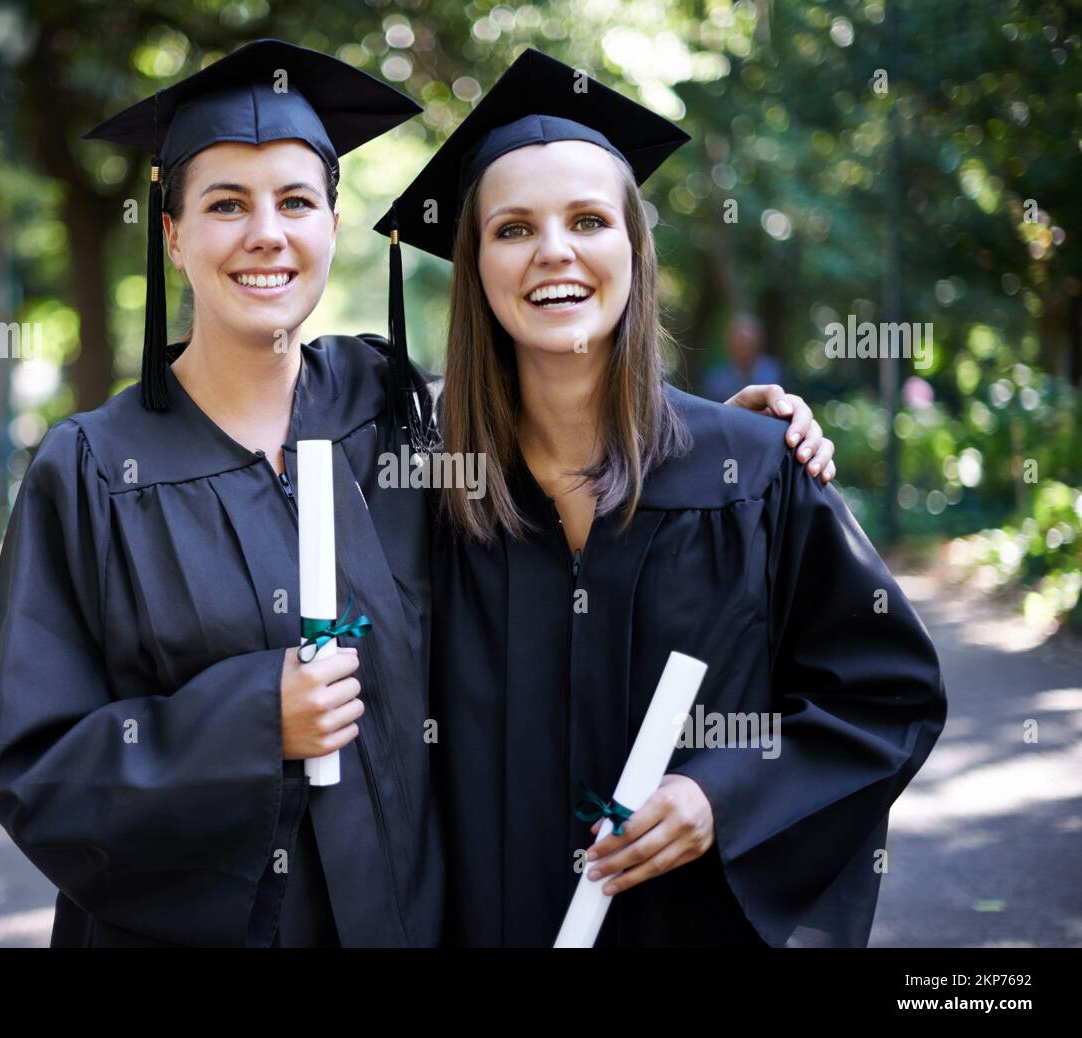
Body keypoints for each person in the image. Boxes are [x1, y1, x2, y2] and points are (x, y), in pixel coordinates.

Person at [0, 38, 836, 948]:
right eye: (226, 204)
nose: (266, 233)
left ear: (333, 228)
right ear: (173, 232)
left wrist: (714, 438)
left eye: (296, 202)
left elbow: (550, 455)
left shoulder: (390, 416)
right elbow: (36, 771)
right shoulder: (91, 474)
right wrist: (243, 723)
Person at [379, 48, 946, 947]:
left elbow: (883, 696)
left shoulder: (755, 474)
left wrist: (722, 793)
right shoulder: (424, 495)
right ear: (475, 266)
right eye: (513, 228)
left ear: (635, 253)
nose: (554, 250)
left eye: (589, 220)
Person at [701, 312, 785, 404]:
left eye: (749, 341)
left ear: (759, 341)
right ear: (729, 342)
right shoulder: (716, 379)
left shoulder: (774, 371)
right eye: (740, 340)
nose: (745, 346)